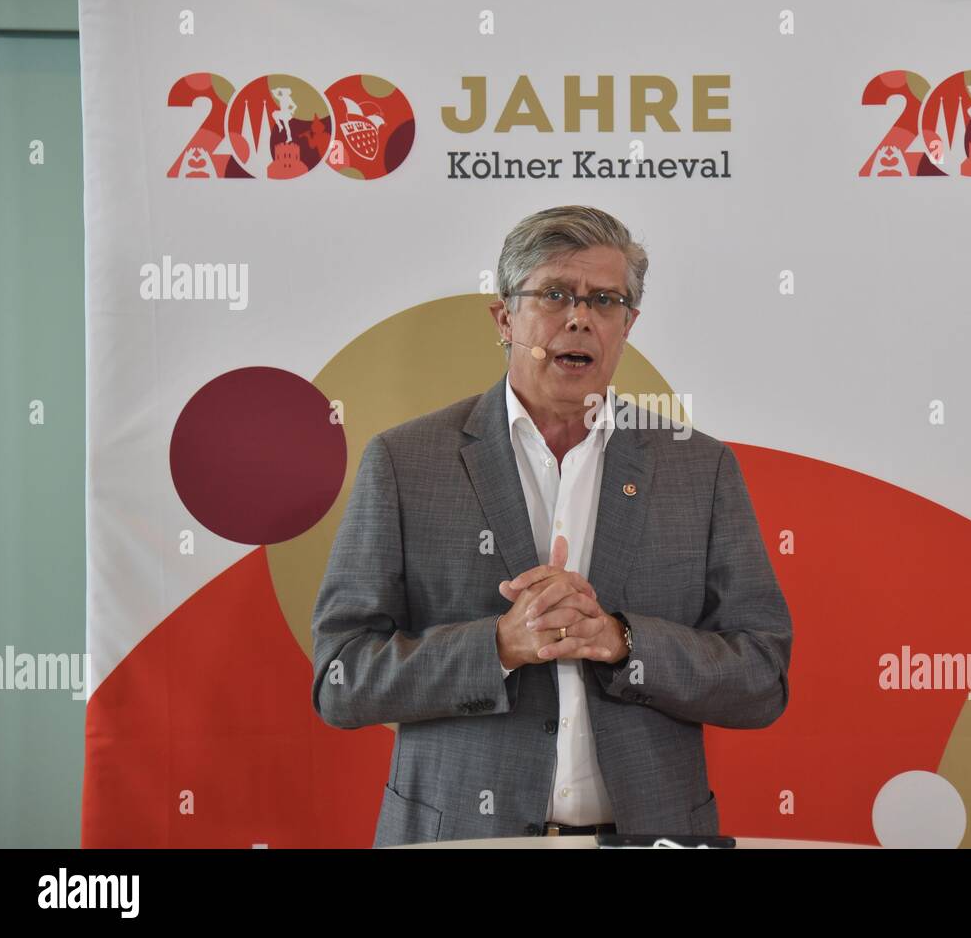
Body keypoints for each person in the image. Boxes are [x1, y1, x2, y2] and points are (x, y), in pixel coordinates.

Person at [311, 205, 792, 845]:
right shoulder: (405, 462)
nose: (579, 317)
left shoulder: (698, 467)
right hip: (459, 836)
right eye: (555, 294)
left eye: (605, 300)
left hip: (653, 834)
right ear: (505, 318)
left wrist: (624, 642)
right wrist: (502, 646)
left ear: (628, 325)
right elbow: (342, 677)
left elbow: (761, 678)